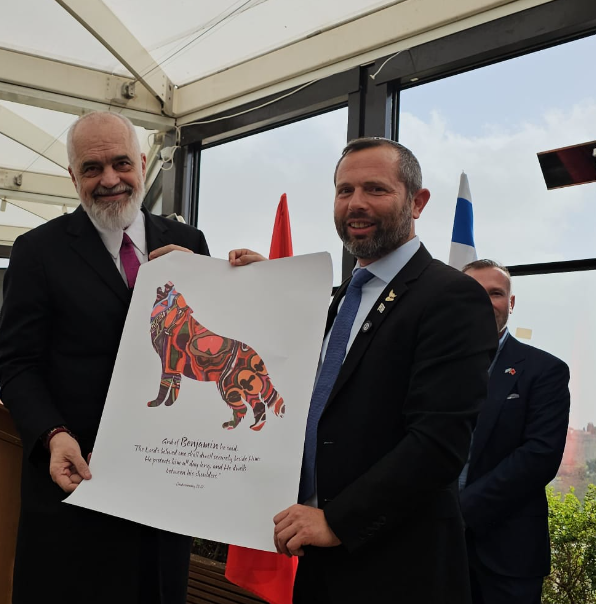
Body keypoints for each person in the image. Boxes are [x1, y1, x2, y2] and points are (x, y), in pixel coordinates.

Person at [229, 137, 497, 603]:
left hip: (399, 569)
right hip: (320, 559)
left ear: (418, 202)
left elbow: (439, 442)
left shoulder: (451, 297)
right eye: (344, 190)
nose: (356, 204)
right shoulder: (337, 301)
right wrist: (245, 287)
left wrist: (338, 519)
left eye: (375, 189)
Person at [0, 111, 209, 603]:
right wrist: (52, 435)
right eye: (92, 169)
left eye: (120, 163)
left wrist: (247, 284)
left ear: (141, 163)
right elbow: (16, 364)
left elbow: (206, 340)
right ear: (73, 178)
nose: (109, 180)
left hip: (163, 491)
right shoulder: (37, 251)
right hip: (75, 486)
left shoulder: (190, 245)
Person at [459, 259, 571, 604]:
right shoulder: (425, 366)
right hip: (433, 549)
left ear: (510, 303)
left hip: (509, 555)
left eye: (495, 293)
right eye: (474, 292)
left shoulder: (544, 370)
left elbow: (539, 457)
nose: (485, 301)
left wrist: (457, 510)